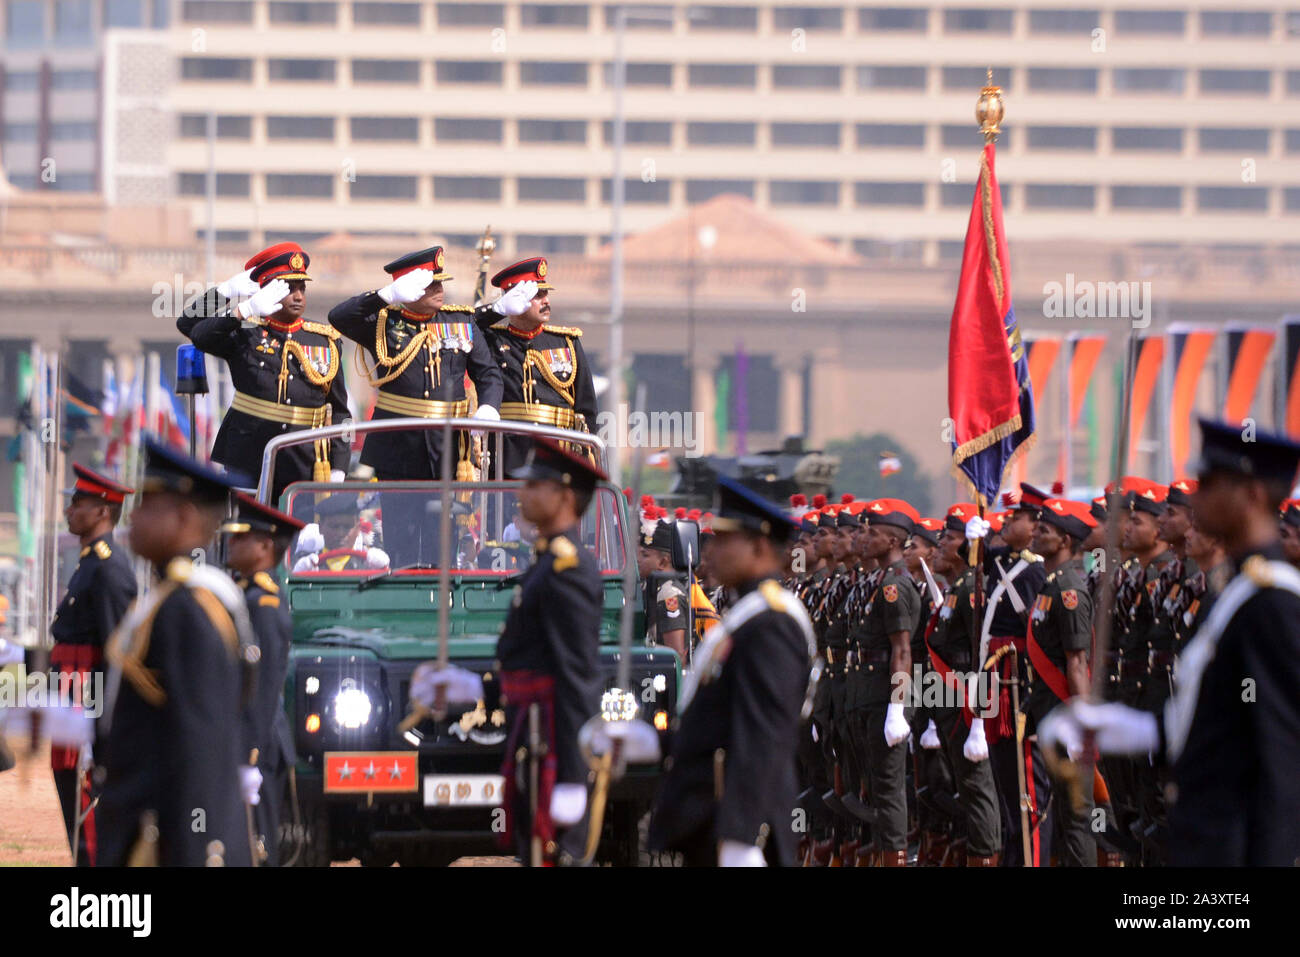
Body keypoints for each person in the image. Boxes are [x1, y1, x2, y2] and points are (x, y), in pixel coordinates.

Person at [1040, 418, 1300, 866]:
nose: (1198, 499)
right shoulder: (1237, 588)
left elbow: (1280, 756)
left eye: (1212, 484)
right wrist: (1138, 729)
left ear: (1253, 496)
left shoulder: (1271, 600)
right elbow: (1218, 720)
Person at [96, 438, 257, 866]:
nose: (134, 516)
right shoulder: (169, 601)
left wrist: (202, 849)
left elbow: (201, 745)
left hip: (173, 845)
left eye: (149, 505)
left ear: (184, 518)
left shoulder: (186, 610)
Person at [648, 476, 815, 866]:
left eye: (724, 541)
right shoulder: (746, 614)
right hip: (712, 823)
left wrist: (742, 838)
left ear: (758, 547)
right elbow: (714, 722)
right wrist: (651, 742)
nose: (711, 551)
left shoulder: (771, 622)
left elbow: (763, 737)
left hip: (740, 831)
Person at [328, 246, 504, 566]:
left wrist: (489, 407)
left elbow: (489, 373)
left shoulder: (460, 321)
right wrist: (385, 295)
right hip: (398, 446)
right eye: (430, 284)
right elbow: (338, 316)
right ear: (407, 287)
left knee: (444, 540)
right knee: (402, 540)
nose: (440, 290)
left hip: (448, 447)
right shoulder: (382, 322)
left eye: (441, 283)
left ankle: (444, 606)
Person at [494, 437, 607, 866]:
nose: (523, 494)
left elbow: (576, 677)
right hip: (533, 735)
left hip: (555, 747)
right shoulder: (546, 561)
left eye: (535, 485)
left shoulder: (568, 568)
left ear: (563, 496)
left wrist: (574, 778)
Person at [177, 242, 350, 501]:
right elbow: (190, 326)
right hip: (248, 457)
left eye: (302, 288)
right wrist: (231, 299)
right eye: (288, 289)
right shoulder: (245, 331)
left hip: (304, 463)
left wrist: (339, 467)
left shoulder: (325, 339)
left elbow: (339, 412)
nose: (298, 296)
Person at [50, 464, 138, 866]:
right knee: (73, 804)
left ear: (104, 511)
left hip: (87, 704)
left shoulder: (108, 568)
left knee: (87, 808)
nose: (69, 510)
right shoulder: (89, 562)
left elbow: (116, 652)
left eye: (78, 503)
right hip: (71, 699)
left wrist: (100, 726)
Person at [220, 491, 304, 866]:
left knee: (258, 847)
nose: (231, 543)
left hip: (258, 741)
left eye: (241, 537)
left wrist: (249, 752)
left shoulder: (264, 604)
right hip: (243, 737)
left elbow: (266, 683)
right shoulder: (246, 594)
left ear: (265, 547)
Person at [1023, 497, 1098, 867]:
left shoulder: (1069, 590)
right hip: (1049, 711)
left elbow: (1077, 662)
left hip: (1065, 713)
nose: (1035, 533)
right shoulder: (1050, 585)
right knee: (1061, 814)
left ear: (1065, 540)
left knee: (1077, 820)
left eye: (1044, 530)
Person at [846, 498, 921, 866]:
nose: (866, 537)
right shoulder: (881, 581)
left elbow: (902, 651)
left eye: (873, 532)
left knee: (890, 789)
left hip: (886, 697)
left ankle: (895, 859)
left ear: (893, 541)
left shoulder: (895, 585)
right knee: (876, 786)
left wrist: (897, 707)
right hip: (870, 694)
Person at [926, 512, 1003, 866]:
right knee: (964, 786)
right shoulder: (954, 590)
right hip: (947, 697)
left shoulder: (974, 589)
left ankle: (985, 857)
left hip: (965, 699)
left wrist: (978, 719)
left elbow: (982, 654)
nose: (939, 544)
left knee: (977, 787)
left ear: (966, 547)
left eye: (948, 538)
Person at [475, 258, 598, 474]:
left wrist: (587, 458)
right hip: (508, 454)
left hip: (557, 452)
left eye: (546, 294)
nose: (545, 301)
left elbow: (587, 409)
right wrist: (497, 309)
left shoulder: (567, 342)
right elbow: (463, 327)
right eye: (536, 296)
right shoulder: (492, 339)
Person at [292, 493, 389, 573]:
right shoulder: (305, 563)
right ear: (320, 528)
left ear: (358, 528)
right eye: (334, 526)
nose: (341, 533)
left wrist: (382, 571)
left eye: (347, 527)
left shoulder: (368, 564)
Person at [638, 519, 689, 659]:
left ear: (663, 562)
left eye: (645, 555)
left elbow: (675, 654)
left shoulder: (669, 594)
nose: (638, 559)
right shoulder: (651, 587)